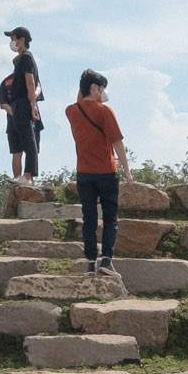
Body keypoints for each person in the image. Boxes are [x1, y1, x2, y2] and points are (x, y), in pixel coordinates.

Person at [65, 69, 130, 272]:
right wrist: (127, 170)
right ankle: (107, 260)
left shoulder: (71, 111)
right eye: (101, 88)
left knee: (89, 218)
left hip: (84, 172)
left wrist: (84, 81)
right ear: (95, 88)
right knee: (110, 218)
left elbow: (80, 101)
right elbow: (117, 142)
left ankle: (91, 262)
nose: (104, 93)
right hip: (106, 171)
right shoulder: (104, 111)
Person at [3, 27, 44, 185]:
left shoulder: (26, 57)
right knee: (24, 139)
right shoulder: (22, 59)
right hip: (18, 102)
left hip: (23, 103)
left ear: (21, 40)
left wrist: (32, 104)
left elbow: (31, 81)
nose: (11, 42)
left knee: (29, 139)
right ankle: (26, 175)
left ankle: (28, 175)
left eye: (13, 38)